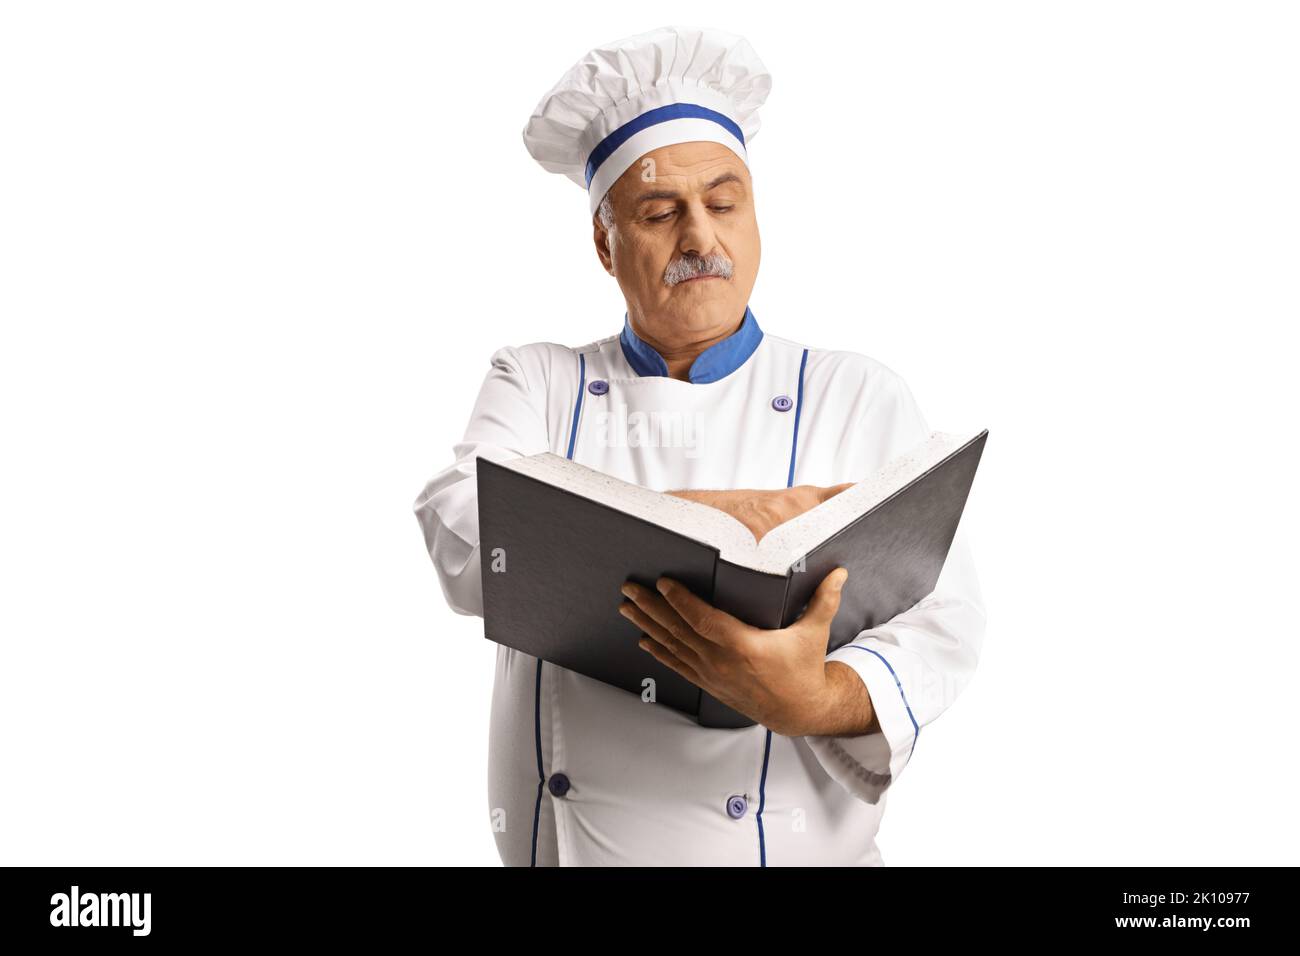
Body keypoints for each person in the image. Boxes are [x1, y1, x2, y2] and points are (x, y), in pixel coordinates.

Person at [413, 25, 986, 866]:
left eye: (724, 204)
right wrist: (738, 517)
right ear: (606, 243)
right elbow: (468, 537)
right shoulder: (536, 381)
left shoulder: (856, 392)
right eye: (659, 212)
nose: (700, 241)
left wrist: (812, 696)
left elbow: (945, 620)